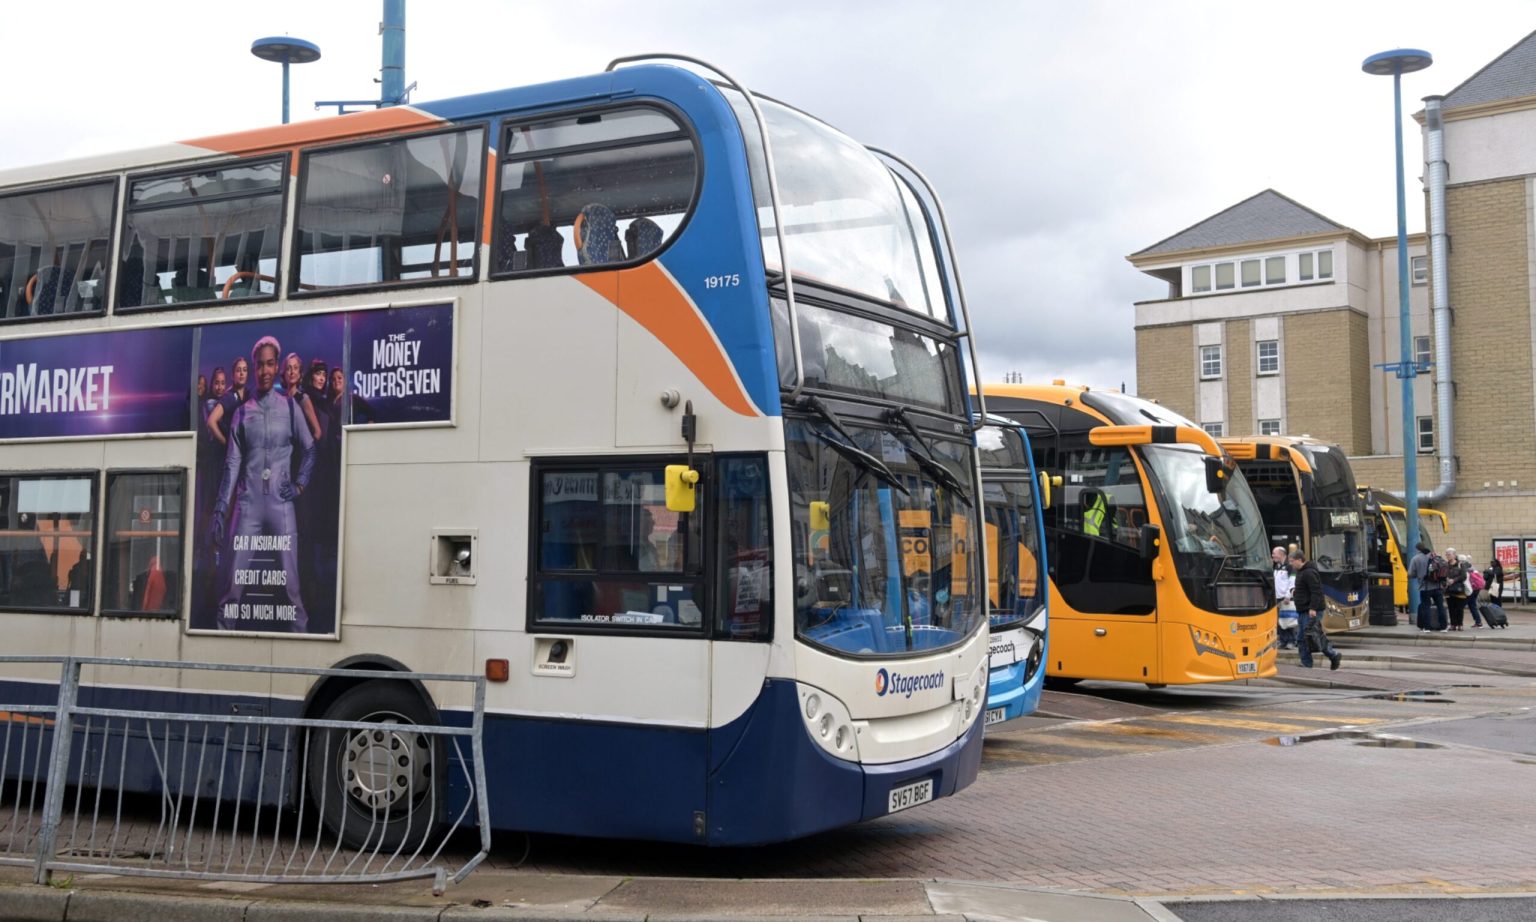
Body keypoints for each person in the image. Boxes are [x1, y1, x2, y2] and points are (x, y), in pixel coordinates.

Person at [209, 336, 317, 634]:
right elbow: (231, 465)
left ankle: (303, 652)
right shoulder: (242, 412)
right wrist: (220, 511)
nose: (265, 370)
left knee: (292, 588)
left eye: (271, 364)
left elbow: (309, 448)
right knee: (232, 587)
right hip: (248, 505)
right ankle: (218, 651)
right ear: (254, 368)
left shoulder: (291, 408)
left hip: (282, 504)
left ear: (277, 365)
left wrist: (299, 486)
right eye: (260, 365)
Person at [1289, 549, 1342, 670]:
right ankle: (1332, 656)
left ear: (1299, 560)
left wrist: (1312, 608)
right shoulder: (1301, 572)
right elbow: (1304, 589)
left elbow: (1316, 592)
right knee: (1310, 637)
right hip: (1304, 610)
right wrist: (1294, 591)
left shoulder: (1308, 573)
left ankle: (1308, 663)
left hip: (1310, 611)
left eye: (1292, 561)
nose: (1291, 564)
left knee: (1307, 637)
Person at [1408, 542, 1448, 633]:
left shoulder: (1415, 559)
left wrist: (1418, 575)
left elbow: (1410, 574)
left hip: (1425, 587)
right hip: (1437, 586)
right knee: (1440, 606)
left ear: (1417, 549)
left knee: (1426, 607)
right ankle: (1443, 627)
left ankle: (1427, 627)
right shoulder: (1434, 556)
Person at [1273, 546, 1298, 650]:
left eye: (1274, 553)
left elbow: (1292, 582)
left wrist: (1288, 596)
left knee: (1289, 620)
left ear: (1281, 554)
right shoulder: (1277, 567)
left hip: (1287, 598)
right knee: (1280, 621)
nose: (1273, 556)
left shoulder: (1290, 567)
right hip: (1278, 598)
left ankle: (1291, 641)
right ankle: (1283, 641)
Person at [1462, 554, 1485, 628]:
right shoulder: (1472, 566)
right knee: (1472, 605)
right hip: (1476, 588)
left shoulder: (1464, 567)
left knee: (1460, 606)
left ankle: (1457, 623)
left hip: (1471, 589)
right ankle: (1478, 622)